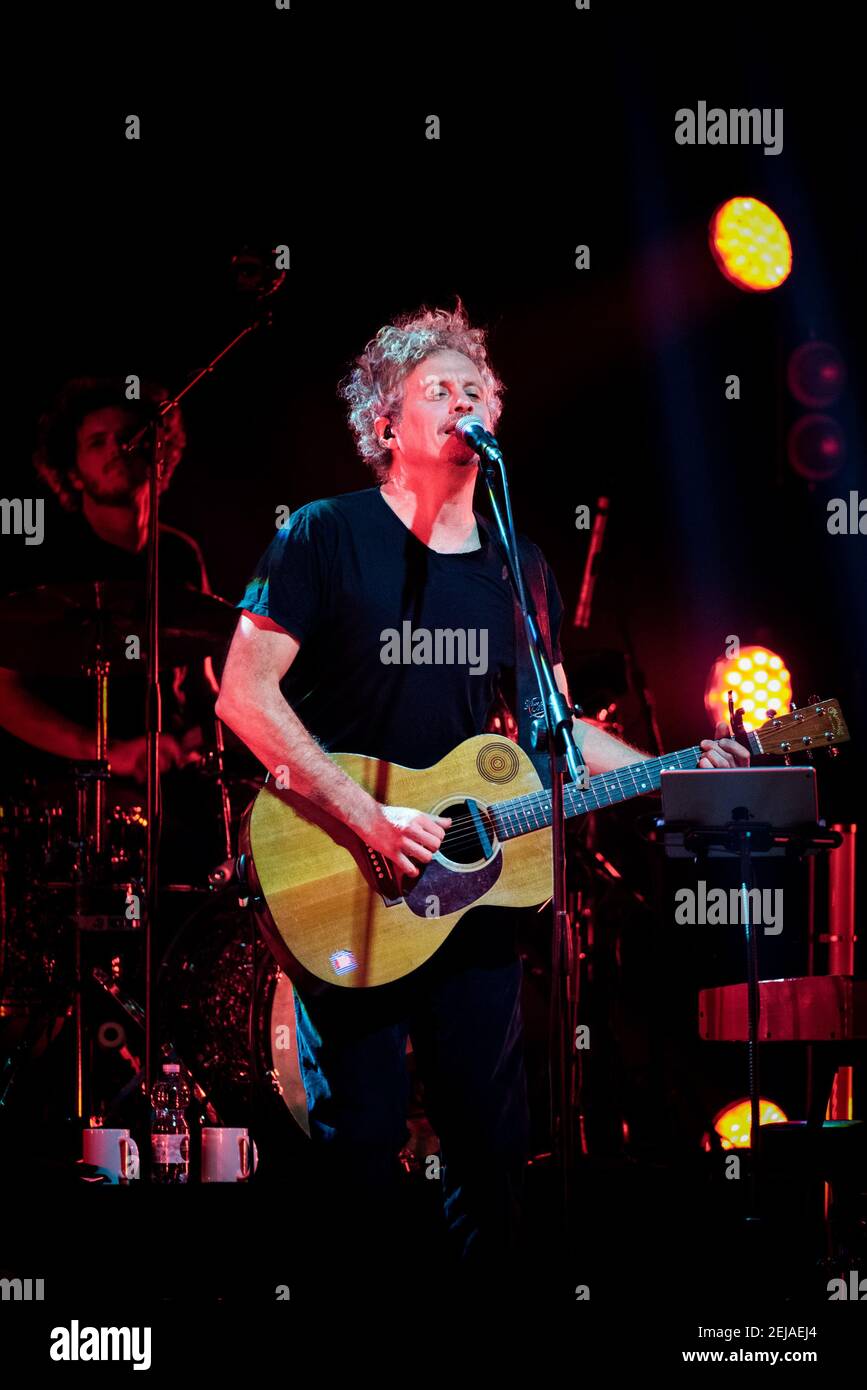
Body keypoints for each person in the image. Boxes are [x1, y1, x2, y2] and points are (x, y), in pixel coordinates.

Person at [215, 301, 749, 1297]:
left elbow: (552, 728)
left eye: (479, 388)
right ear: (387, 424)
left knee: (492, 1149)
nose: (466, 400)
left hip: (475, 899)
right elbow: (244, 693)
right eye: (439, 388)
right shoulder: (323, 537)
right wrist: (367, 815)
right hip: (346, 869)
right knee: (362, 1141)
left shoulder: (521, 564)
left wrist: (675, 763)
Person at [0, 377, 220, 876]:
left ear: (159, 451)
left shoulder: (180, 554)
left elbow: (204, 682)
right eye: (96, 442)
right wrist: (111, 753)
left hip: (172, 785)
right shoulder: (45, 559)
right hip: (73, 792)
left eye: (130, 435)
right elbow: (4, 695)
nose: (119, 449)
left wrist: (205, 739)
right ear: (72, 471)